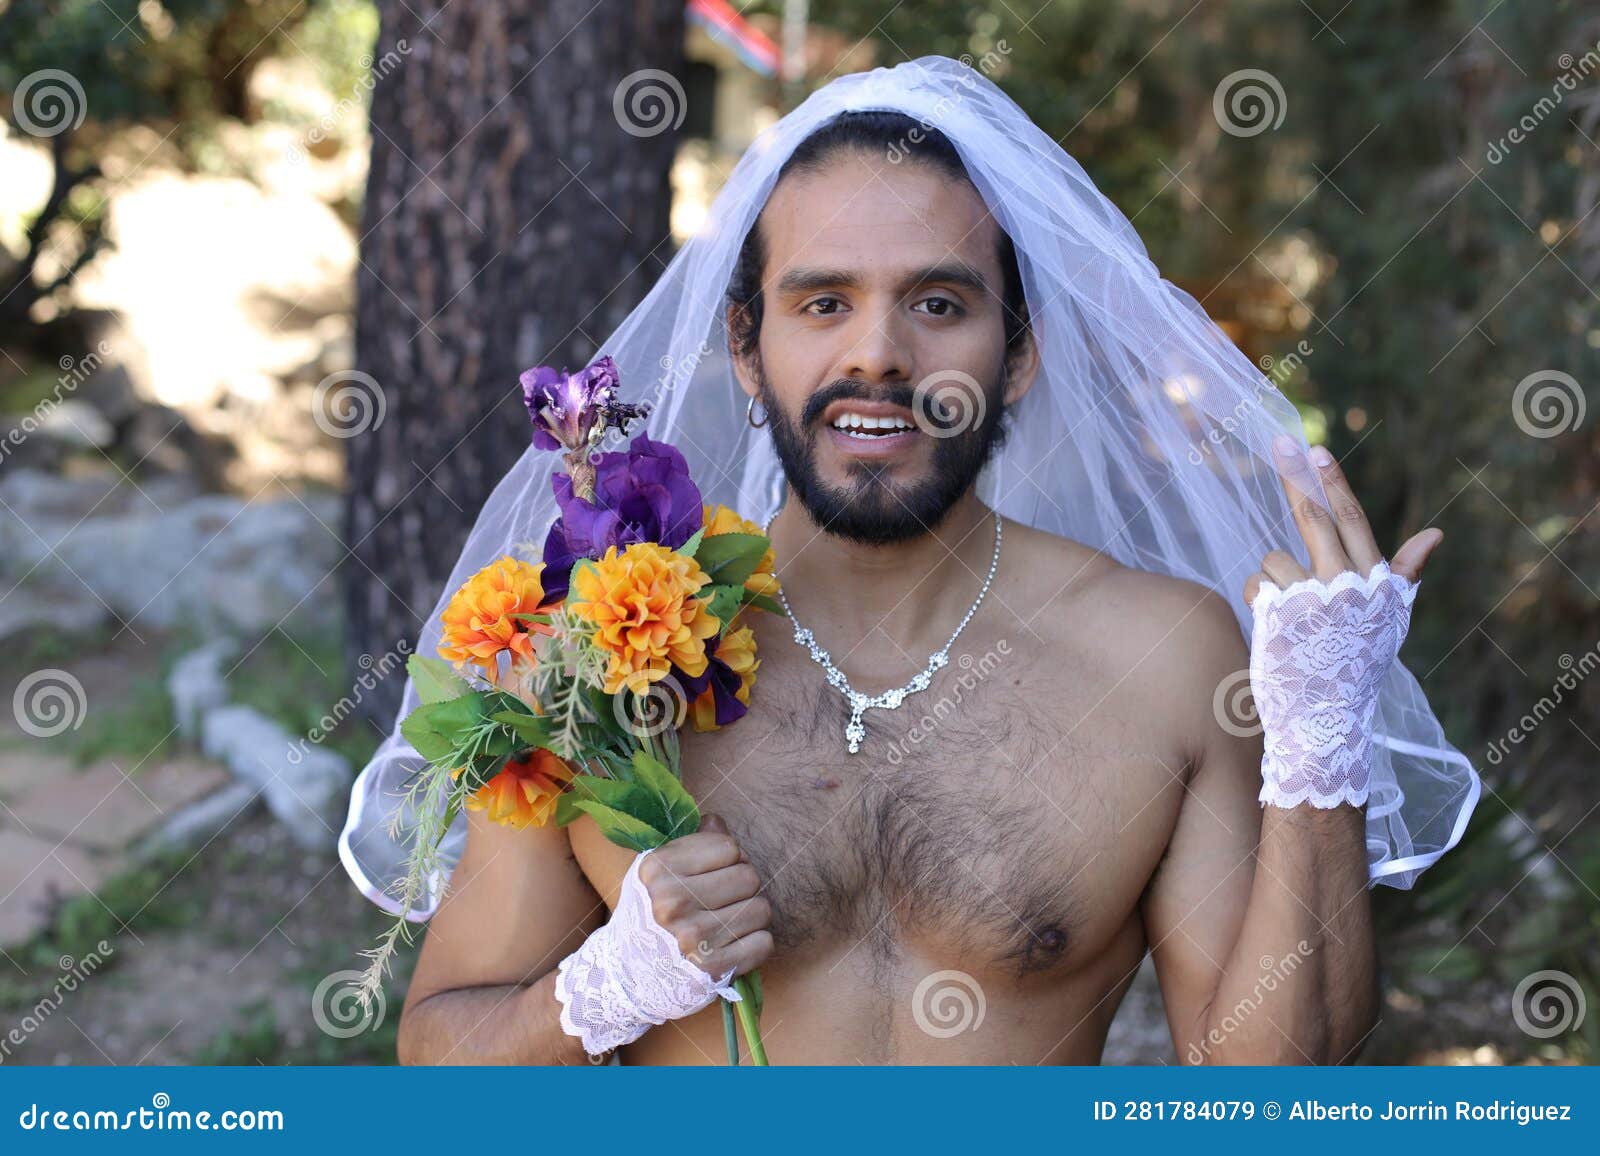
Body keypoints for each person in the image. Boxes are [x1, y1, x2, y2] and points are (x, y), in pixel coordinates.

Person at [340, 57, 1479, 1065]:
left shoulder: (1168, 659)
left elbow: (1268, 1104)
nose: (878, 353)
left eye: (939, 301)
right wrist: (596, 993)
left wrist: (1320, 746)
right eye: (822, 301)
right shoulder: (598, 654)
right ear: (747, 347)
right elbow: (442, 1057)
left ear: (1019, 352)